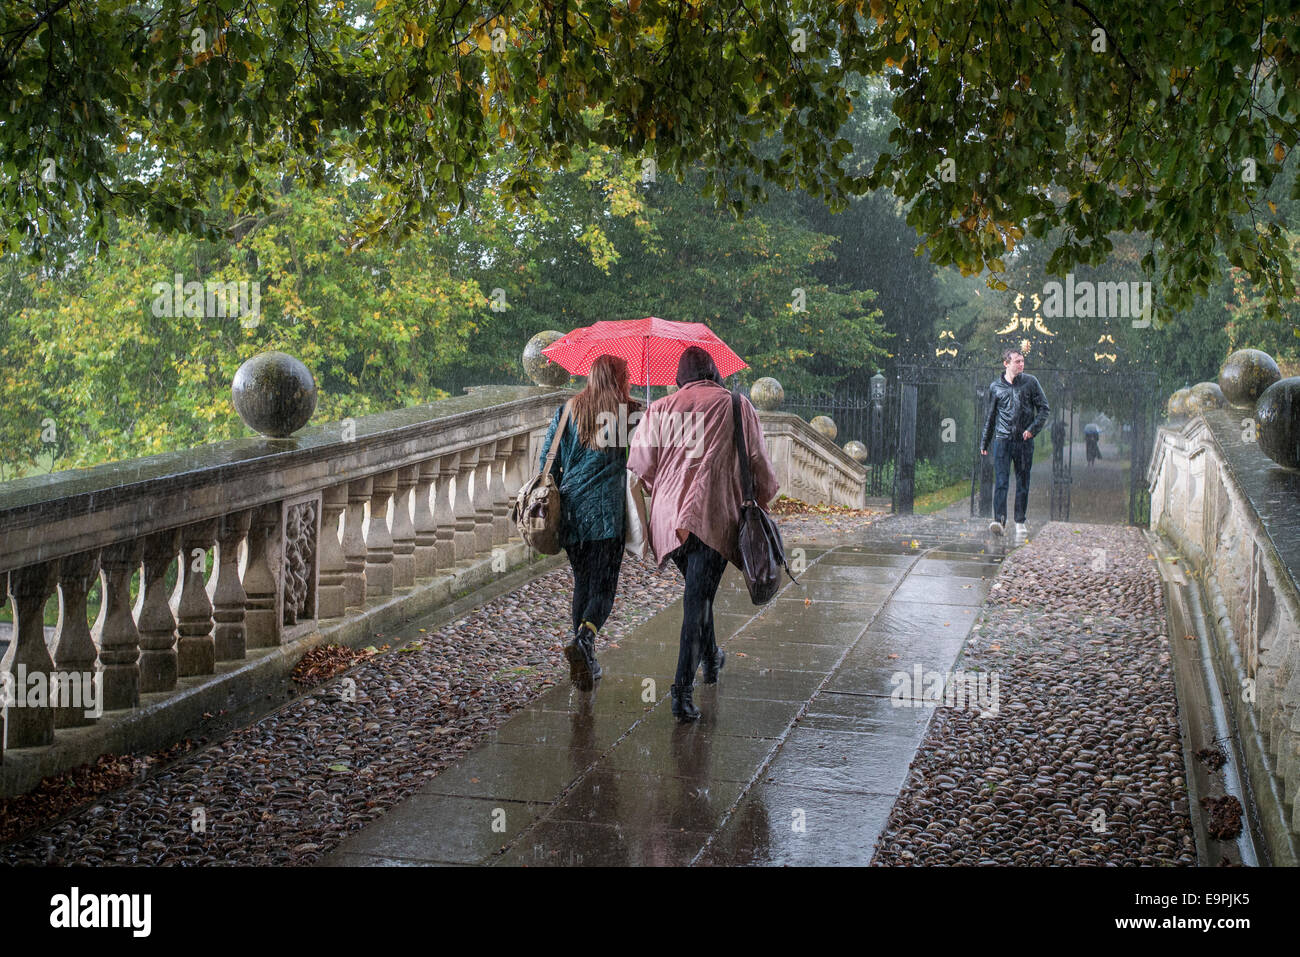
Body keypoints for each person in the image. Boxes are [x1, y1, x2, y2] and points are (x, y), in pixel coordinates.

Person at [628, 347, 779, 722]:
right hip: (713, 514)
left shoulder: (660, 408)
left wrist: (664, 487)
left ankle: (711, 657)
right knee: (697, 601)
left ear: (680, 375)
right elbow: (757, 458)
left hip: (669, 519)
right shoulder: (736, 405)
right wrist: (762, 497)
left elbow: (641, 465)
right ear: (713, 371)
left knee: (700, 593)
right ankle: (681, 691)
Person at [538, 354, 641, 691]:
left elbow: (547, 464)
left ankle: (583, 657)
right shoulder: (629, 413)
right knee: (604, 587)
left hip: (571, 514)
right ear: (621, 378)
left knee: (582, 583)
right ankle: (584, 639)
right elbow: (646, 461)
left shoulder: (569, 410)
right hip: (606, 517)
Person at [980, 349, 1050, 540]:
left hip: (1024, 442)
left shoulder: (1030, 382)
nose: (1021, 364)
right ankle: (999, 522)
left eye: (1022, 361)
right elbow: (991, 417)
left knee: (1022, 482)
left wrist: (1032, 429)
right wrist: (984, 441)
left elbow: (1044, 409)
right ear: (1006, 363)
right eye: (1017, 361)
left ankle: (1019, 521)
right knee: (1001, 482)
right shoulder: (995, 387)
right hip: (1002, 441)